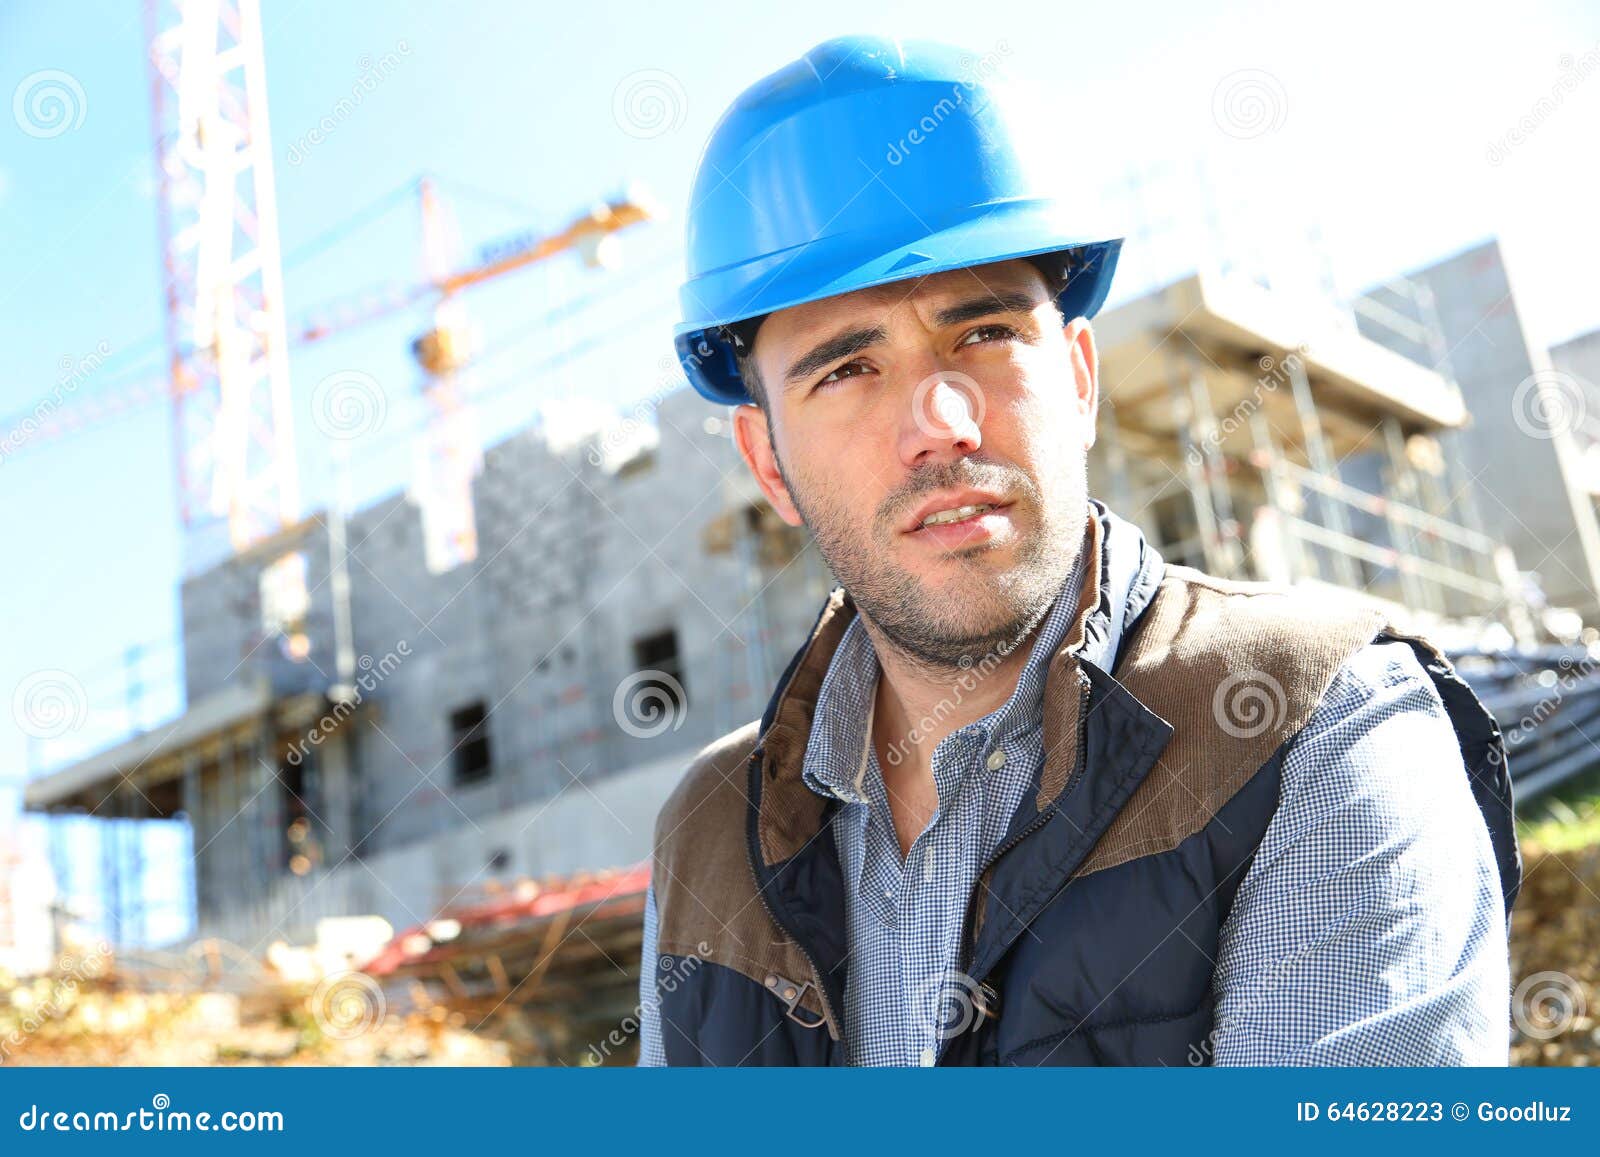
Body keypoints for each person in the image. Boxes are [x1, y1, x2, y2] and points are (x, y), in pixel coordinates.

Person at [636, 34, 1519, 1066]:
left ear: (1080, 376)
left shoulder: (1314, 724)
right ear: (769, 461)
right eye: (847, 370)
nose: (941, 418)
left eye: (983, 334)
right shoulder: (707, 832)